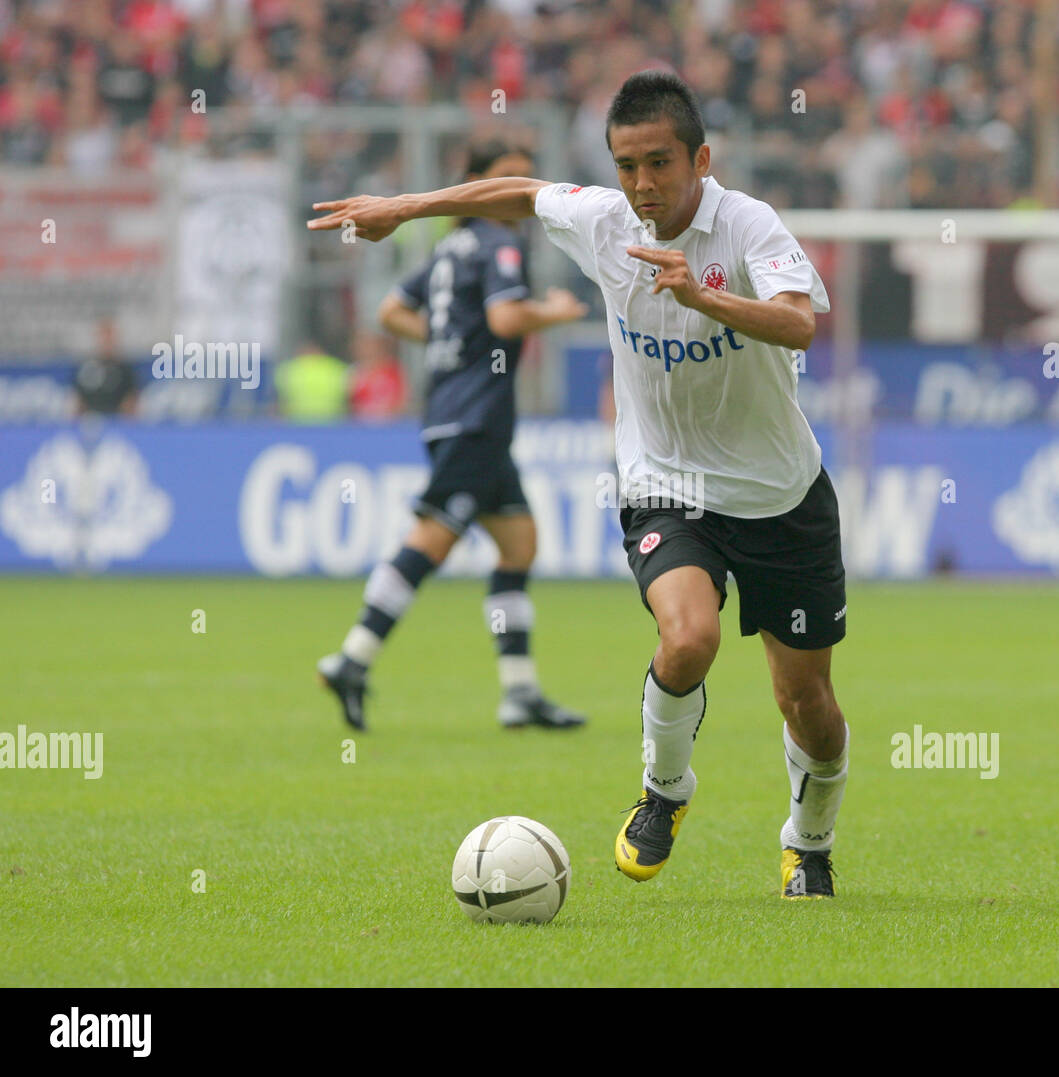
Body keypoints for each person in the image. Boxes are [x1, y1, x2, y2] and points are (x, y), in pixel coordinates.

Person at [308, 73, 849, 900]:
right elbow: (521, 190)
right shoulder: (602, 219)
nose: (640, 184)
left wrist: (704, 295)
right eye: (625, 164)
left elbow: (799, 322)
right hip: (666, 484)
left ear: (700, 159)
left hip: (780, 494)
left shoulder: (747, 225)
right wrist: (404, 206)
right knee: (687, 638)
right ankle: (665, 791)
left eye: (659, 163)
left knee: (807, 700)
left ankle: (808, 841)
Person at [316, 139, 589, 733]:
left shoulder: (448, 249)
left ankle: (519, 693)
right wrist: (555, 312)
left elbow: (390, 311)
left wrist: (449, 344)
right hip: (477, 419)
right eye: (508, 179)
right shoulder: (498, 242)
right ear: (475, 184)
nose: (521, 194)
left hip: (451, 410)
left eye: (527, 178)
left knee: (518, 544)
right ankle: (352, 659)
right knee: (433, 537)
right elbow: (505, 319)